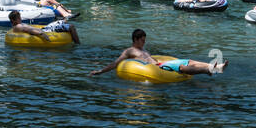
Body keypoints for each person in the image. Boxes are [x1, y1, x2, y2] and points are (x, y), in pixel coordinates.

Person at [89, 29, 227, 76]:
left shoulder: (143, 50)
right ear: (135, 39)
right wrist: (100, 71)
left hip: (161, 64)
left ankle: (216, 67)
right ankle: (209, 70)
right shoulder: (130, 51)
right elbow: (115, 63)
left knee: (189, 61)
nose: (144, 42)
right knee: (182, 68)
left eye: (145, 40)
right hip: (158, 68)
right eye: (142, 40)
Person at [9, 9, 79, 45]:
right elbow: (29, 30)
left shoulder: (17, 26)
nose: (20, 18)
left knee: (63, 21)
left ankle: (66, 18)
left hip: (45, 28)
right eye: (18, 18)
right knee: (71, 26)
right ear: (13, 20)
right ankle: (77, 45)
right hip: (46, 31)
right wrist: (42, 34)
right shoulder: (18, 26)